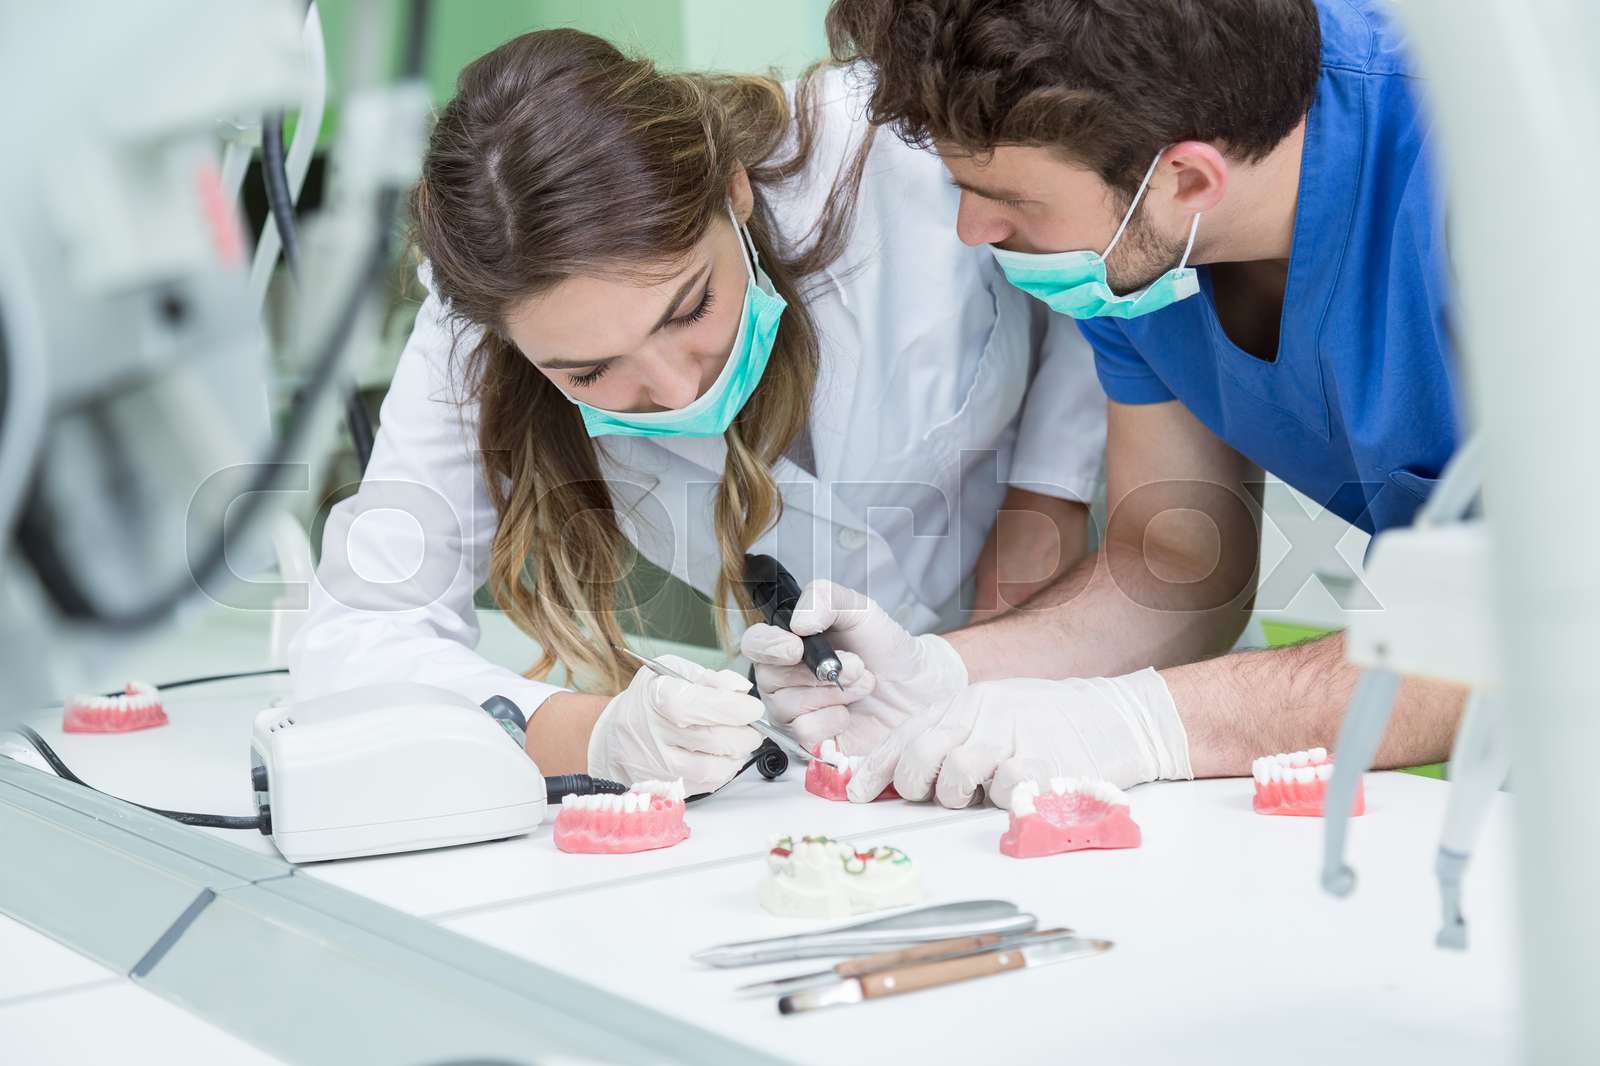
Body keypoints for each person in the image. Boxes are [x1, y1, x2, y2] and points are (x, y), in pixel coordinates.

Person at [288, 29, 1106, 796]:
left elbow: (1073, 402)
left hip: (1062, 665)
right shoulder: (484, 318)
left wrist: (977, 681)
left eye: (687, 310)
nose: (677, 392)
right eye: (591, 370)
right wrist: (598, 735)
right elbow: (357, 639)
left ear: (734, 189)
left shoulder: (901, 151)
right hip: (829, 749)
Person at [743, 0, 1467, 807]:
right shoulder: (1138, 242)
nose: (970, 229)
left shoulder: (1504, 186)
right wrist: (942, 672)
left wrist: (1141, 721)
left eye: (1005, 198)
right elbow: (1176, 563)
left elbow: (1556, 623)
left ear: (1190, 179)